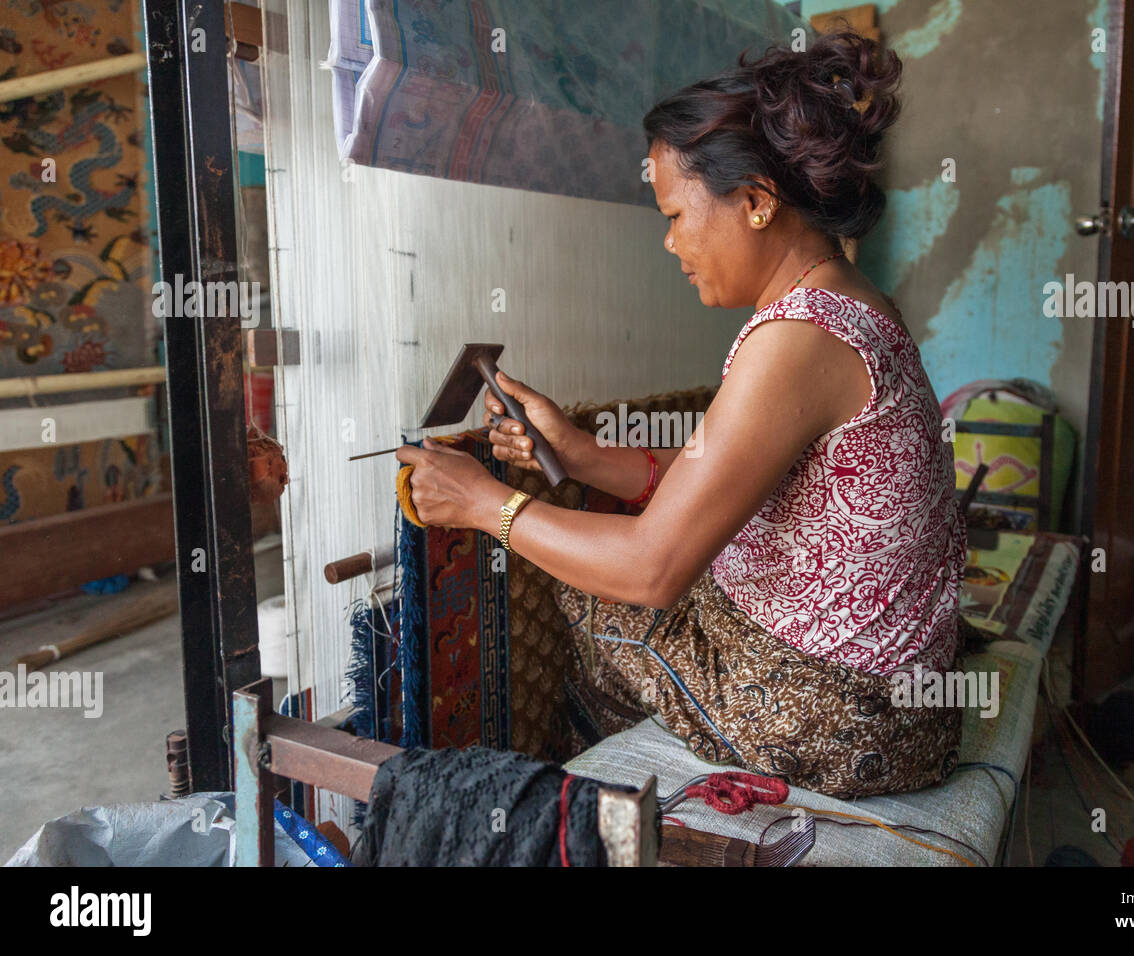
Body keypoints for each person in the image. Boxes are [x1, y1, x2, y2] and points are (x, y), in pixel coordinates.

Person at [395, 31, 971, 799]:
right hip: (902, 701)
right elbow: (721, 474)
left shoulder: (797, 337)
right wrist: (577, 448)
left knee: (593, 598)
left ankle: (595, 809)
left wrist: (482, 502)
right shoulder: (847, 302)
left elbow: (651, 571)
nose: (670, 243)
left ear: (757, 202)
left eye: (674, 215)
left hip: (845, 715)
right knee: (628, 551)